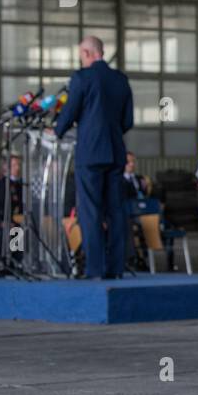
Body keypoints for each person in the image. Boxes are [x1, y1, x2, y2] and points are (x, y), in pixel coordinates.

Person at [54, 35, 133, 279]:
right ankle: (116, 268)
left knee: (90, 212)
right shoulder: (121, 80)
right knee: (116, 211)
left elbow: (70, 111)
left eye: (81, 55)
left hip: (89, 154)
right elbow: (127, 121)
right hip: (115, 152)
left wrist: (57, 130)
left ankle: (95, 269)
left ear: (88, 53)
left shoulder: (82, 77)